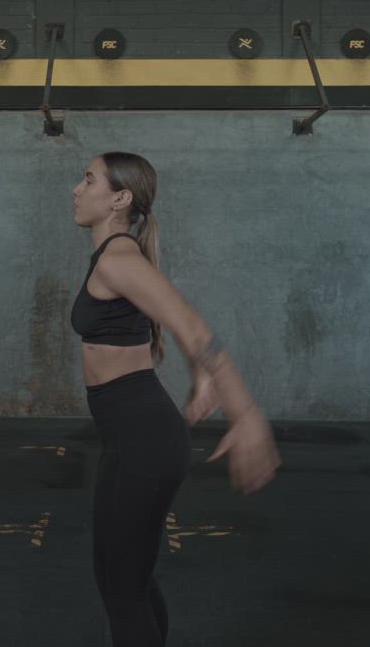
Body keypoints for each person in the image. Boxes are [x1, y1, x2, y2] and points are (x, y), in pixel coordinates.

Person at [71, 151, 281, 646]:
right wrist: (198, 373)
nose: (77, 189)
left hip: (144, 438)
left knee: (123, 590)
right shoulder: (116, 257)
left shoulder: (120, 258)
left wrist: (245, 413)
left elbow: (194, 327)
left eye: (88, 180)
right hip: (130, 437)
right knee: (122, 581)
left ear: (119, 198)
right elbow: (171, 323)